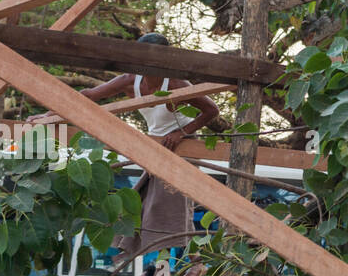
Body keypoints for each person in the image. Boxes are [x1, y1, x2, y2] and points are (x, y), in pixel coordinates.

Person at [27, 33, 219, 256]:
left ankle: (191, 260)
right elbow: (88, 95)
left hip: (182, 145)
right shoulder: (131, 79)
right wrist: (49, 115)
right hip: (156, 147)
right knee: (145, 205)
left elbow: (212, 110)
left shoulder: (175, 83)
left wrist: (182, 132)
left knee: (169, 205)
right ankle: (159, 260)